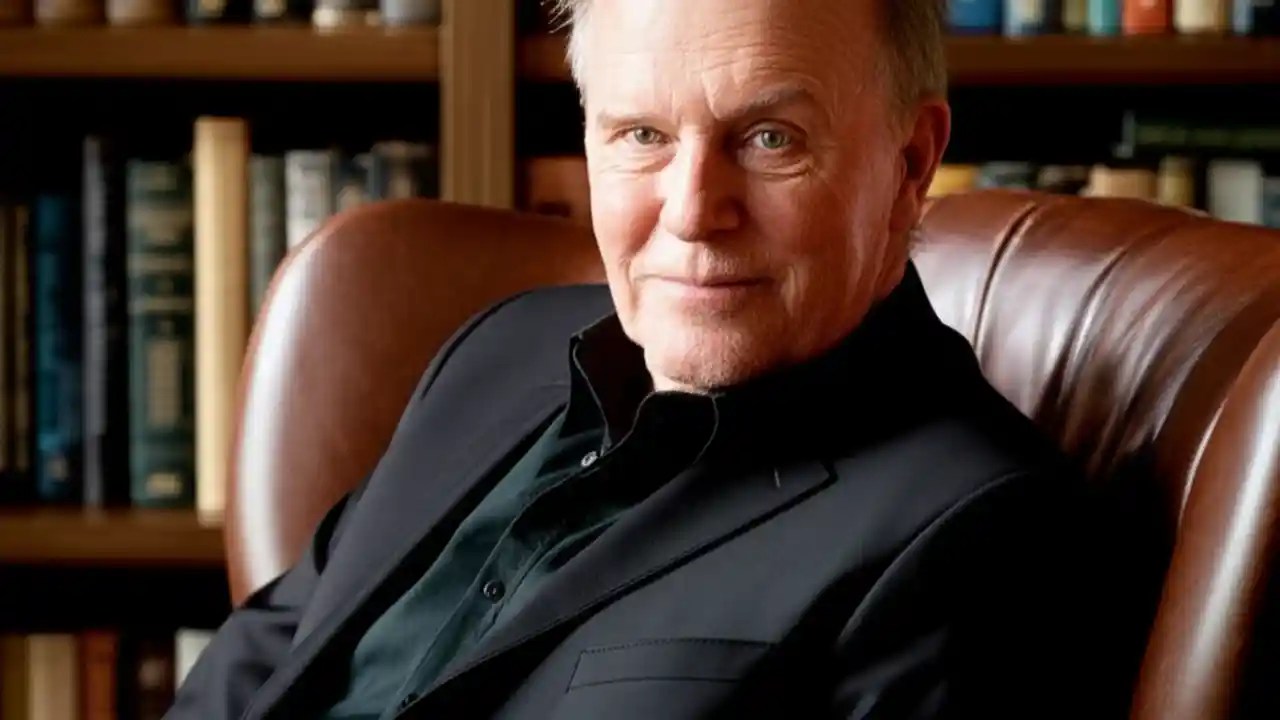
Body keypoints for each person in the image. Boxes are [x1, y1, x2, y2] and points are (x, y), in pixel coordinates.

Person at [168, 0, 1158, 718]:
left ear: (907, 164)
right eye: (640, 135)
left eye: (769, 139)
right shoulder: (494, 352)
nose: (690, 211)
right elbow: (260, 668)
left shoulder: (986, 545)